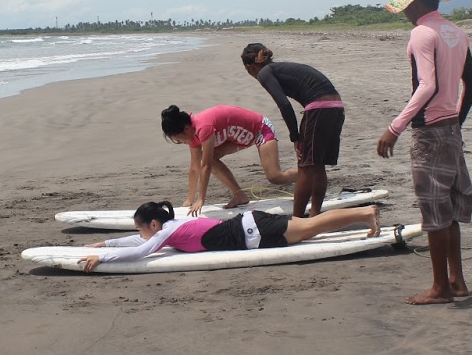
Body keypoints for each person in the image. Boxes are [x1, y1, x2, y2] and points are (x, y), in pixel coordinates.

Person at [375, 0, 472, 305]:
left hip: (430, 132)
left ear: (417, 3)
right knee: (447, 211)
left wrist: (395, 128)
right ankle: (457, 280)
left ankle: (440, 288)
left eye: (406, 5)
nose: (405, 12)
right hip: (449, 128)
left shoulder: (421, 33)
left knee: (434, 214)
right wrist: (455, 122)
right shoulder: (457, 33)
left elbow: (427, 85)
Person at [77, 199, 380, 271]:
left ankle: (366, 212)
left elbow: (140, 252)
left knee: (313, 226)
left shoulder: (165, 234)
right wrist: (104, 243)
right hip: (253, 229)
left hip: (255, 231)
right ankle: (364, 214)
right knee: (311, 228)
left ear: (153, 224)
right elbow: (138, 242)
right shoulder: (167, 230)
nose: (140, 234)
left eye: (141, 227)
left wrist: (102, 258)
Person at [241, 42, 344, 217]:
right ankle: (315, 215)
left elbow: (284, 104)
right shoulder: (278, 68)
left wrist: (295, 136)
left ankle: (297, 220)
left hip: (319, 109)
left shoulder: (264, 73)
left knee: (305, 167)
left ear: (250, 67)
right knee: (317, 165)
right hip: (336, 107)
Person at [160, 104, 297, 216]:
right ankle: (240, 195)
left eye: (178, 139)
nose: (180, 142)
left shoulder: (203, 127)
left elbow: (205, 166)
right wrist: (189, 200)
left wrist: (201, 199)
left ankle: (312, 174)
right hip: (238, 138)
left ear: (186, 128)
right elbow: (194, 168)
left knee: (275, 177)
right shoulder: (192, 136)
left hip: (260, 129)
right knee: (209, 158)